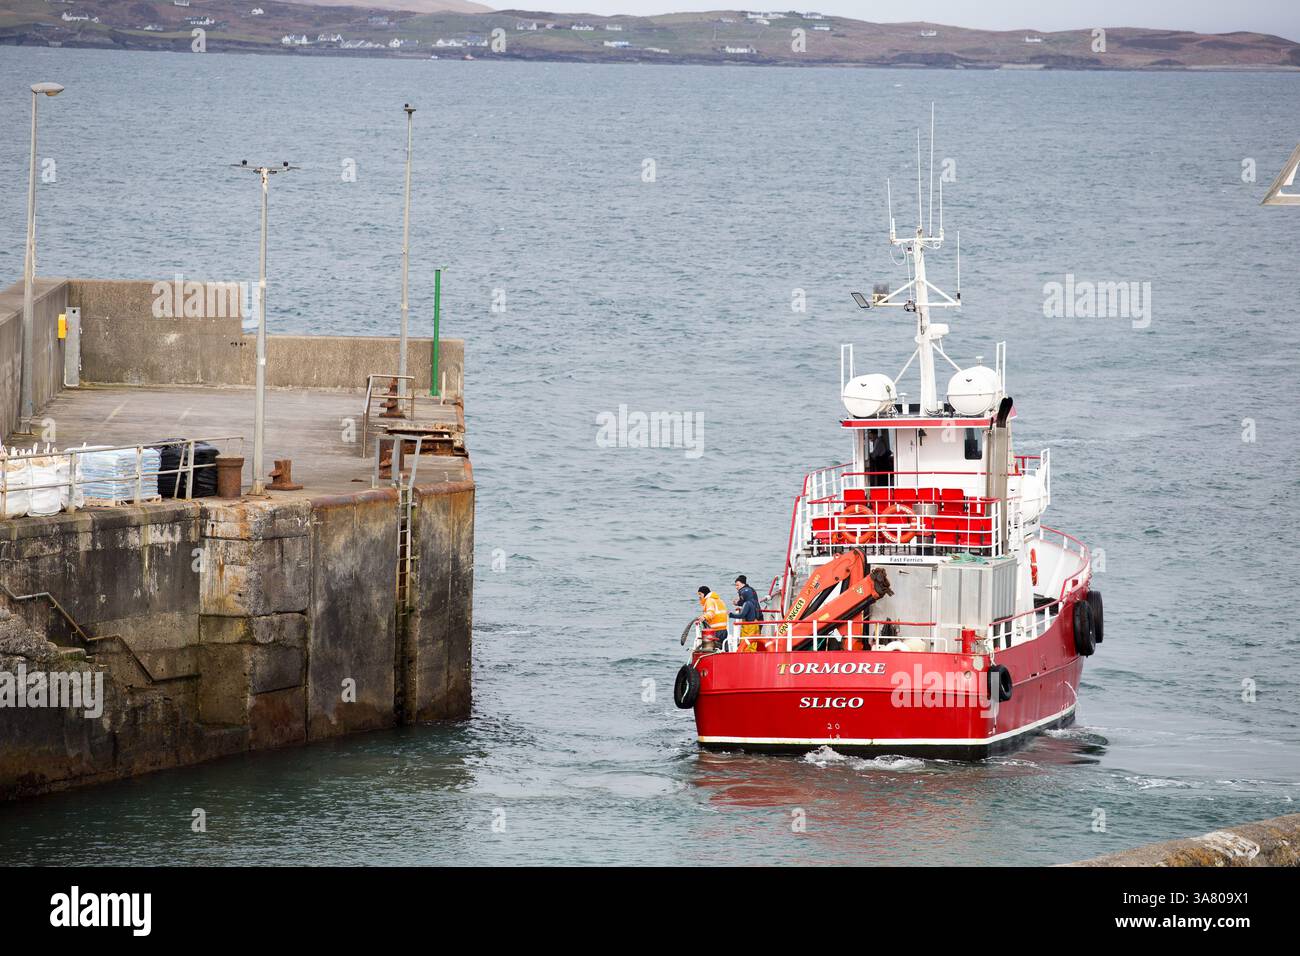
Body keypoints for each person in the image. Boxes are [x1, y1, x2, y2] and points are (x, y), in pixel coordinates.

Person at [730, 575, 763, 651]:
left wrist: (737, 603)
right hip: (758, 616)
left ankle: (748, 652)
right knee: (755, 638)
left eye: (737, 585)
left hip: (752, 620)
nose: (736, 587)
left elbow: (744, 605)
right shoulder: (751, 590)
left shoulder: (744, 591)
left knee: (750, 639)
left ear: (743, 584)